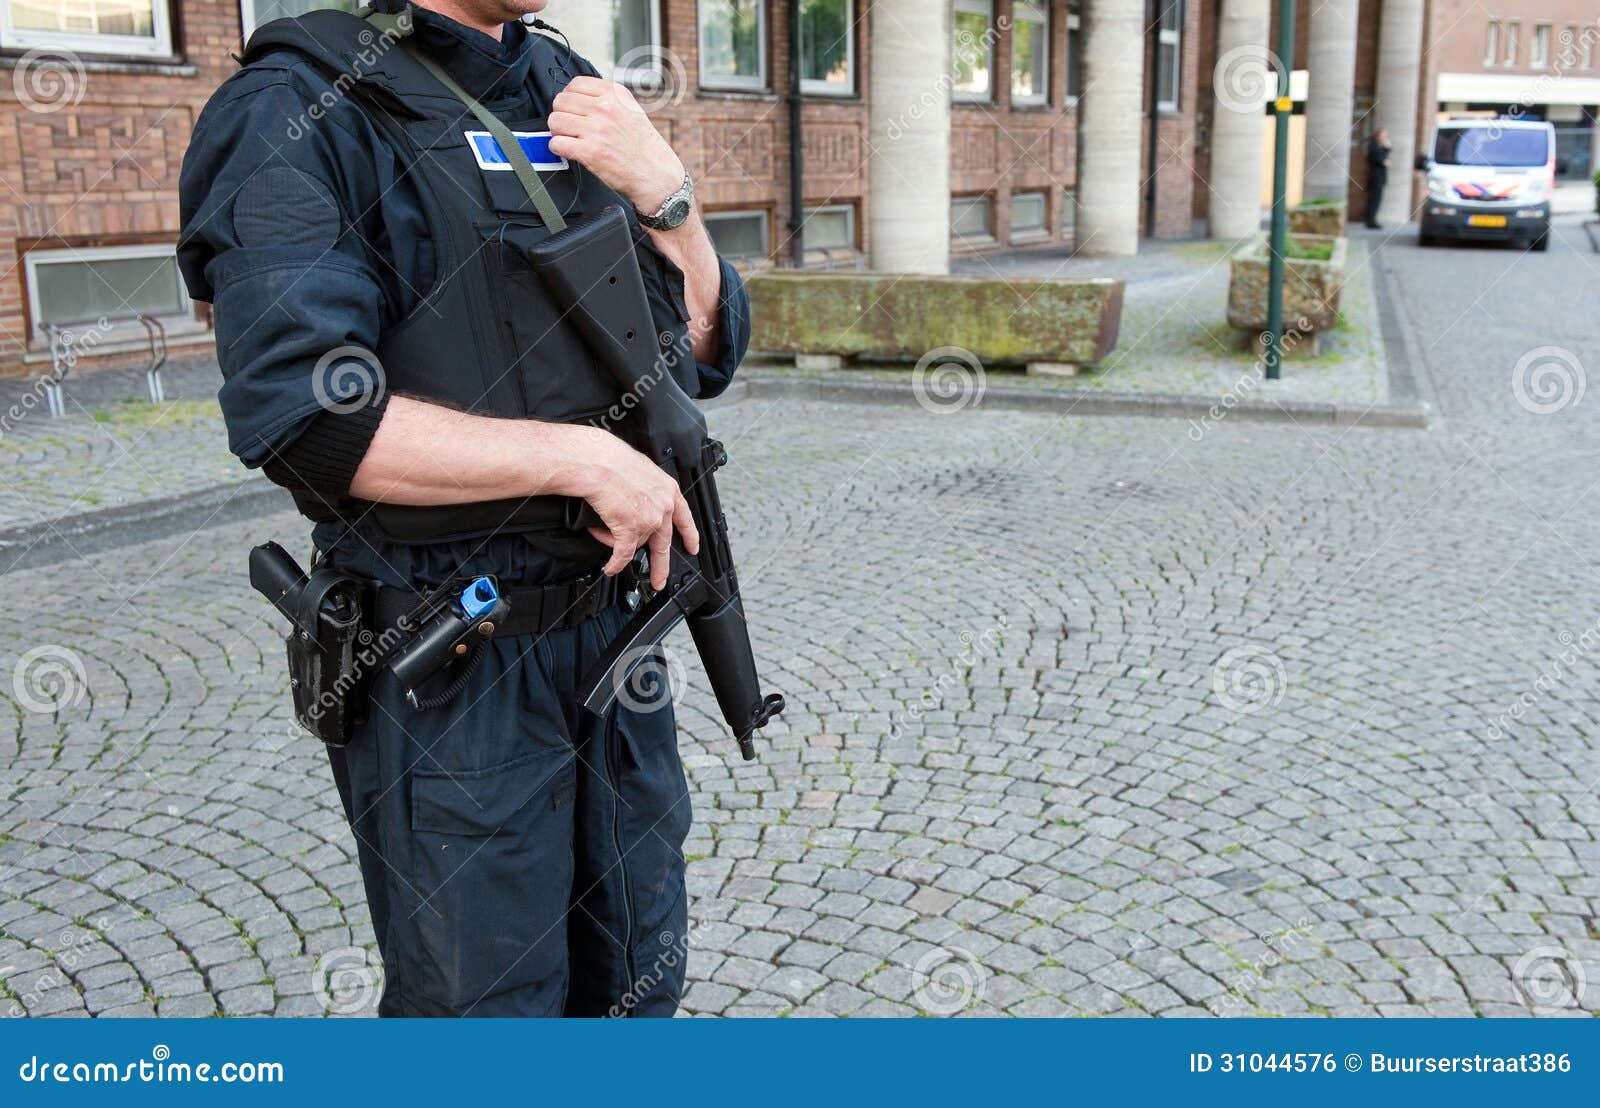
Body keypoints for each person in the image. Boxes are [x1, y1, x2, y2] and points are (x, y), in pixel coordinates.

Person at [178, 0, 750, 1017]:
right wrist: (577, 460)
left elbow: (701, 356)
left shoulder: (569, 90)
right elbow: (304, 415)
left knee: (635, 987)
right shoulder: (296, 105)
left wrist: (672, 201)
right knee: (485, 1016)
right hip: (454, 667)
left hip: (615, 650)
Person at [1365, 128, 1391, 229]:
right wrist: (1385, 162)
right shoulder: (1374, 145)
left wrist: (1387, 147)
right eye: (1383, 135)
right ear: (1378, 135)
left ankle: (1372, 219)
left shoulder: (1379, 145)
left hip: (1380, 176)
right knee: (1374, 199)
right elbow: (1379, 159)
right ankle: (1371, 220)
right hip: (1375, 177)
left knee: (1377, 198)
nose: (1385, 137)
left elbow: (1385, 154)